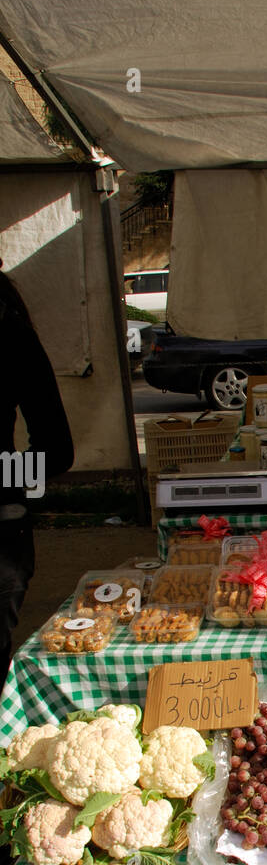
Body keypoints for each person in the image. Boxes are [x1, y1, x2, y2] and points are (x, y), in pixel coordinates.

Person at [0, 263, 75, 689]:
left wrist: (6, 479)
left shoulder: (8, 331)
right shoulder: (11, 329)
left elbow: (55, 451)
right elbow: (56, 452)